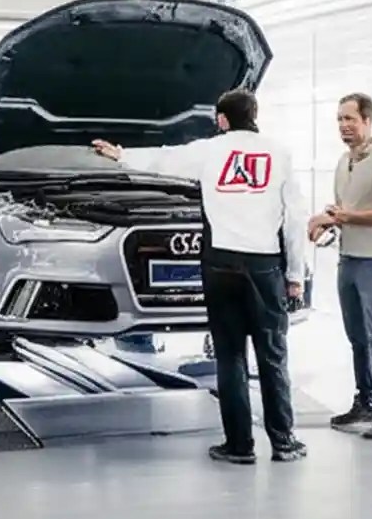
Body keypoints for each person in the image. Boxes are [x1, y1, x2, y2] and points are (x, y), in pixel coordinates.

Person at [93, 89, 309, 464]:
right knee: (272, 354)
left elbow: (164, 159)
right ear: (254, 115)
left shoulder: (209, 150)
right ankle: (284, 442)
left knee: (230, 356)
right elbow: (294, 220)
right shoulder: (280, 153)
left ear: (222, 119)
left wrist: (122, 154)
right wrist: (294, 275)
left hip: (220, 264)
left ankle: (239, 446)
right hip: (264, 266)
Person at [308, 92, 372, 440]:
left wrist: (346, 217)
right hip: (348, 259)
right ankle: (366, 403)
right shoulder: (343, 162)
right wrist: (327, 221)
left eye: (350, 118)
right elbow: (343, 209)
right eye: (339, 119)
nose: (343, 125)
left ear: (367, 120)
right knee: (358, 338)